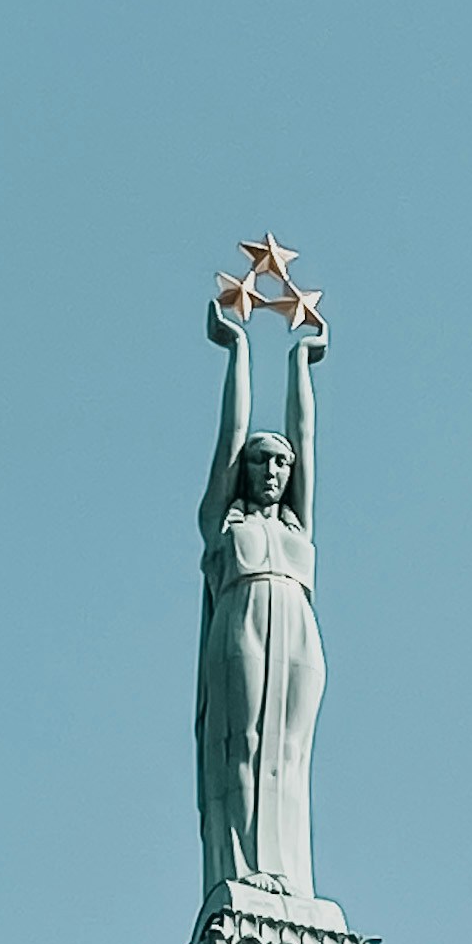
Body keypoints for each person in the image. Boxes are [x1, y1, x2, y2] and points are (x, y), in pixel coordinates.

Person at [196, 298, 327, 910]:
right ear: (244, 470)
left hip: (298, 629)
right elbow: (227, 439)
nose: (273, 469)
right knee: (243, 742)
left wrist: (302, 360)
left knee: (292, 753)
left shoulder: (299, 529)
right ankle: (244, 870)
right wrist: (239, 353)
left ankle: (292, 877)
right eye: (261, 460)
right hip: (242, 622)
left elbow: (308, 436)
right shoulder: (224, 526)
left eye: (282, 463)